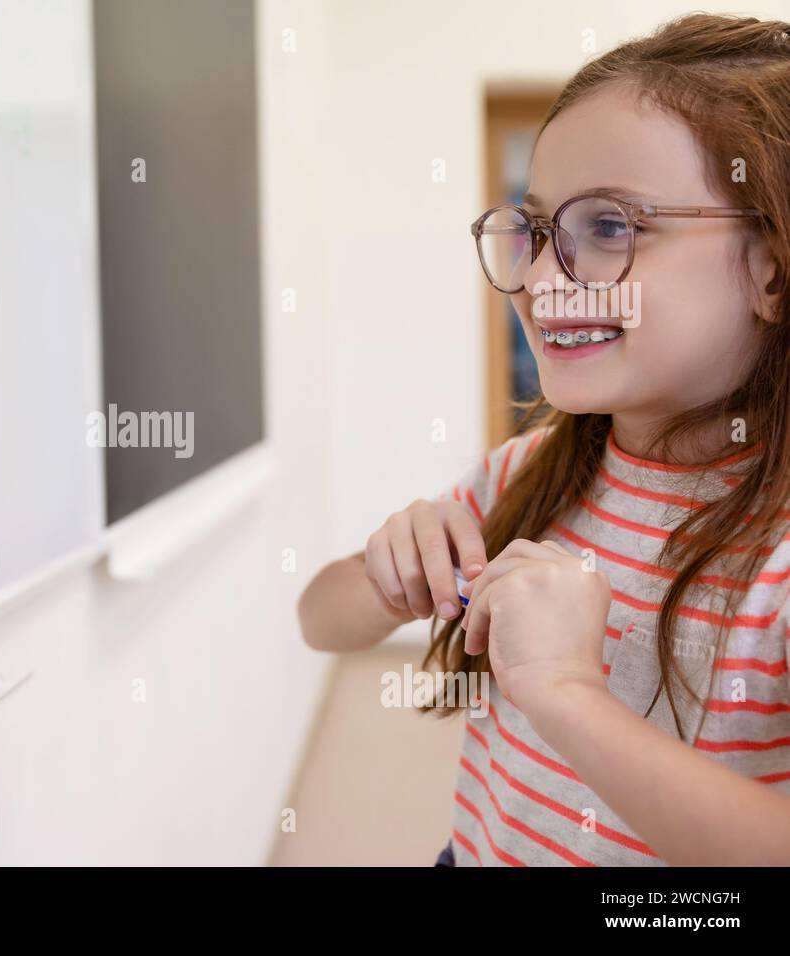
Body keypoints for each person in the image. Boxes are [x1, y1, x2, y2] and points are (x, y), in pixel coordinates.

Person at [298, 12, 790, 866]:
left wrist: (566, 691)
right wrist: (390, 572)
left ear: (771, 269)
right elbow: (319, 620)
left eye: (610, 228)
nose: (538, 280)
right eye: (535, 230)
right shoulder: (533, 471)